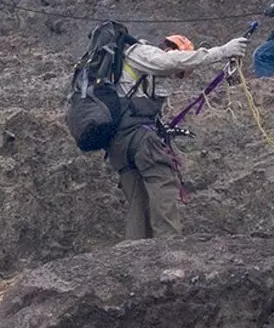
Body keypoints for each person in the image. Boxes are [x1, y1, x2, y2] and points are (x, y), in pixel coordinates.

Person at [107, 33, 250, 239]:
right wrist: (222, 52)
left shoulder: (124, 68)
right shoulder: (143, 53)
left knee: (138, 202)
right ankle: (170, 247)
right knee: (163, 185)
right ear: (174, 49)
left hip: (118, 143)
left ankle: (136, 254)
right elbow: (170, 62)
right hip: (139, 138)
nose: (176, 76)